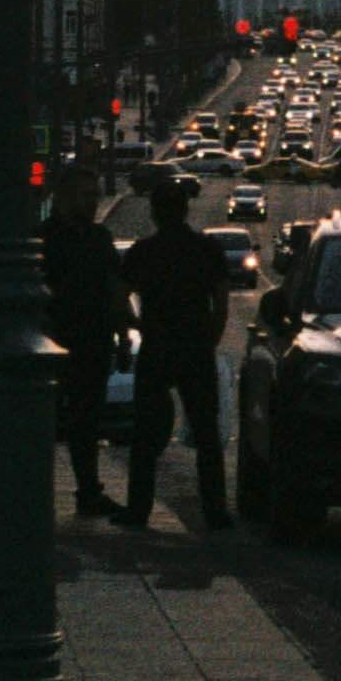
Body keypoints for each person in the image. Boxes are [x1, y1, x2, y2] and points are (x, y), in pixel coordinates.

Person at [116, 177, 233, 530]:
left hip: (157, 346)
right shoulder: (207, 249)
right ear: (186, 210)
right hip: (196, 346)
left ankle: (138, 510)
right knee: (206, 431)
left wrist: (132, 330)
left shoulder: (142, 251)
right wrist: (211, 337)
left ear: (153, 213)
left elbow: (118, 297)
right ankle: (215, 511)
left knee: (145, 432)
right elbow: (222, 301)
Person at [39, 166, 128, 517]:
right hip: (53, 343)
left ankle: (89, 492)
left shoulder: (100, 238)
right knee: (45, 420)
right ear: (63, 197)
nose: (93, 202)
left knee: (86, 424)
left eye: (94, 196)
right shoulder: (44, 239)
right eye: (86, 196)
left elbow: (114, 290)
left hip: (93, 342)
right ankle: (37, 490)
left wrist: (121, 336)